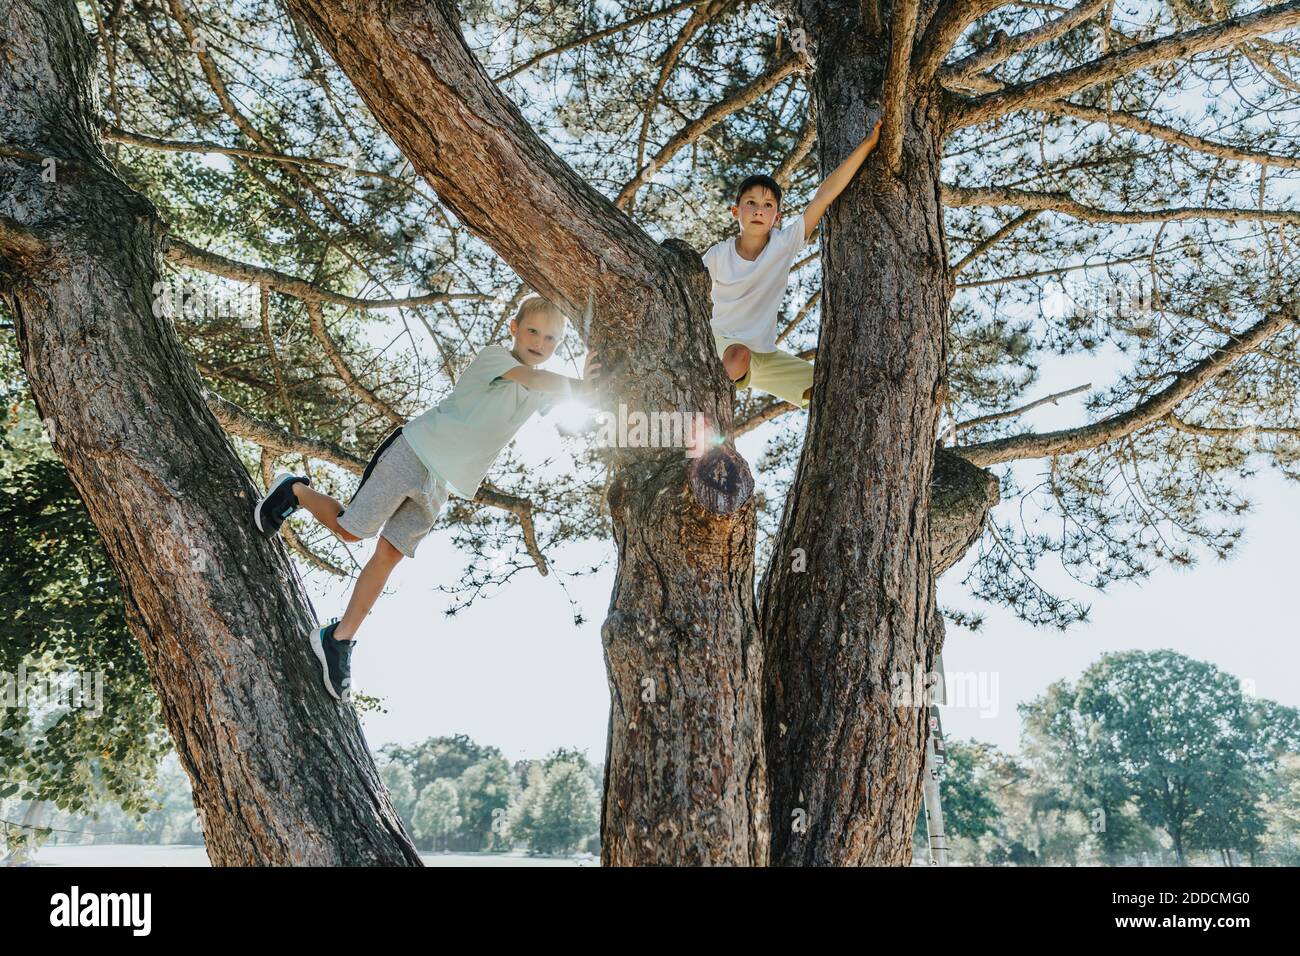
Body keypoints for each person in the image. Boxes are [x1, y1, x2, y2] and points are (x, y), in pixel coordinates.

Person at [252, 296, 598, 702]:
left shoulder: (539, 388)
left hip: (440, 484)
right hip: (413, 452)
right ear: (513, 329)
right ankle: (293, 489)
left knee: (390, 554)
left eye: (551, 338)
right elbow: (539, 380)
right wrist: (578, 385)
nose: (540, 342)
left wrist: (594, 374)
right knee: (351, 531)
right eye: (532, 331)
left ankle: (338, 638)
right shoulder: (495, 360)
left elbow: (573, 402)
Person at [703, 116, 883, 406]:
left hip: (763, 353)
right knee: (737, 357)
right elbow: (687, 292)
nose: (759, 210)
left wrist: (867, 144)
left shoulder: (782, 245)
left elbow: (823, 198)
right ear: (735, 211)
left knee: (827, 391)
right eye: (751, 203)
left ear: (778, 217)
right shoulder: (717, 255)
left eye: (768, 205)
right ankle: (705, 403)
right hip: (722, 346)